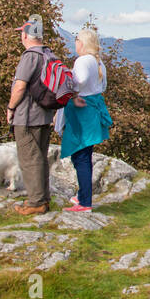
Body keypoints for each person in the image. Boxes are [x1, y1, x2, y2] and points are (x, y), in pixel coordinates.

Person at [56, 27, 112, 212]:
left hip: (82, 112)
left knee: (80, 157)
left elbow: (78, 81)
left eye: (77, 40)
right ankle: (83, 195)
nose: (75, 43)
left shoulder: (83, 61)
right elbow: (102, 85)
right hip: (92, 110)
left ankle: (85, 202)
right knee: (85, 155)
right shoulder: (98, 62)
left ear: (82, 42)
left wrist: (70, 92)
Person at [6, 19, 58, 215]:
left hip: (27, 115)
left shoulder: (29, 57)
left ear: (26, 36)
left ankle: (36, 202)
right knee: (41, 157)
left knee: (29, 158)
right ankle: (43, 198)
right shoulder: (49, 55)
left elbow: (20, 86)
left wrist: (11, 108)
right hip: (45, 114)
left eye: (22, 33)